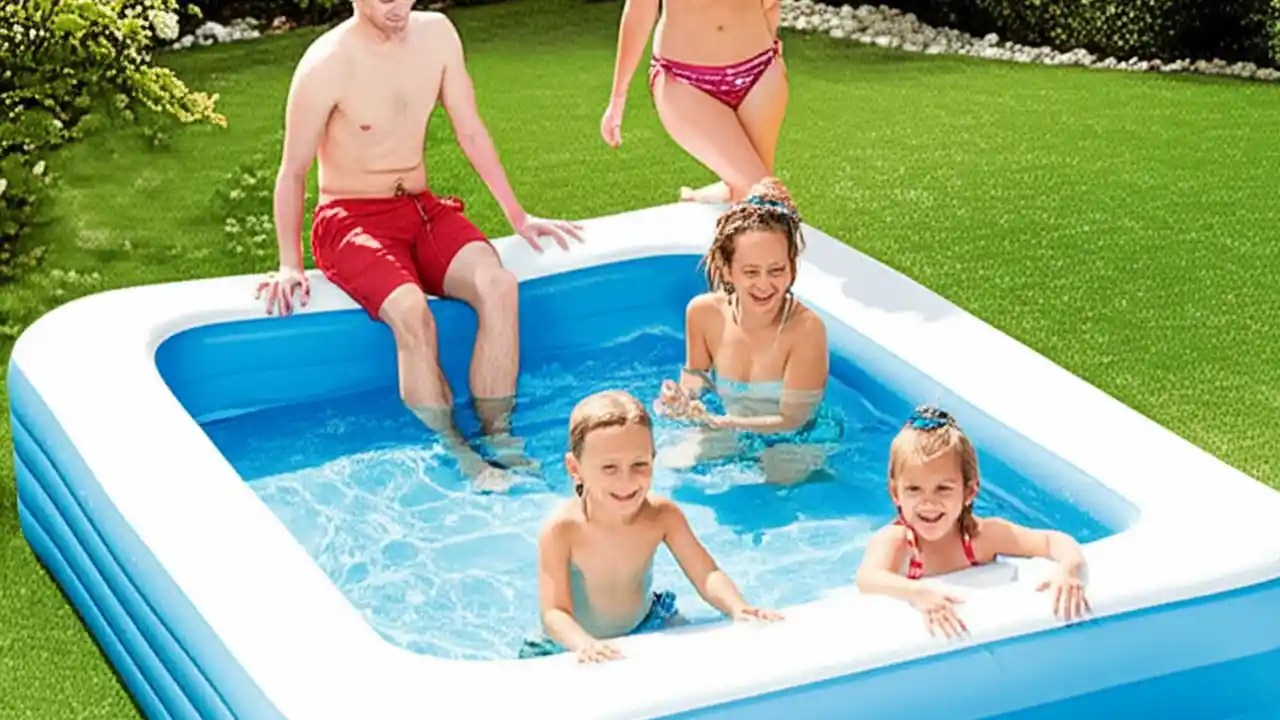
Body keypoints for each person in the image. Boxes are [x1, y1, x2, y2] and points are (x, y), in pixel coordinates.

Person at [254, 1, 585, 491]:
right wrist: (289, 262)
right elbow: (293, 170)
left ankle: (499, 437)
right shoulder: (327, 63)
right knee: (413, 312)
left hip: (422, 210)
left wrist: (518, 214)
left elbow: (469, 128)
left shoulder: (437, 35)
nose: (398, 5)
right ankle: (460, 453)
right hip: (350, 220)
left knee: (498, 285)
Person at [524, 390, 782, 662]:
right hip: (571, 641)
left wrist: (737, 607)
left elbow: (706, 574)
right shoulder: (563, 530)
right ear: (575, 468)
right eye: (609, 467)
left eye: (639, 464)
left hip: (650, 621)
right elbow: (554, 612)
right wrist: (584, 644)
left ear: (653, 458)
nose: (626, 480)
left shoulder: (662, 516)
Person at [855, 405, 1091, 638]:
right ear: (896, 493)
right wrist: (917, 592)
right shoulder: (898, 541)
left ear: (969, 492)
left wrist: (1069, 569)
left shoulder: (981, 537)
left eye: (943, 489)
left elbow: (1053, 541)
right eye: (914, 489)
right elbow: (868, 578)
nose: (928, 502)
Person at [654, 177, 829, 484]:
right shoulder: (704, 313)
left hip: (795, 439)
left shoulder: (805, 330)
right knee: (669, 467)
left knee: (781, 480)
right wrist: (681, 399)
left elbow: (793, 420)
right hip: (732, 427)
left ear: (792, 266)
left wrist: (722, 423)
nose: (764, 284)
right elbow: (697, 379)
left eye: (777, 271)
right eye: (750, 272)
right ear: (726, 268)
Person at [600, 0, 788, 204]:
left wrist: (773, 48)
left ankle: (717, 195)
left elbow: (771, 4)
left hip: (760, 71)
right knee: (766, 197)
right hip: (684, 80)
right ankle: (723, 195)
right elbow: (640, 8)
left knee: (751, 187)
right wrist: (618, 98)